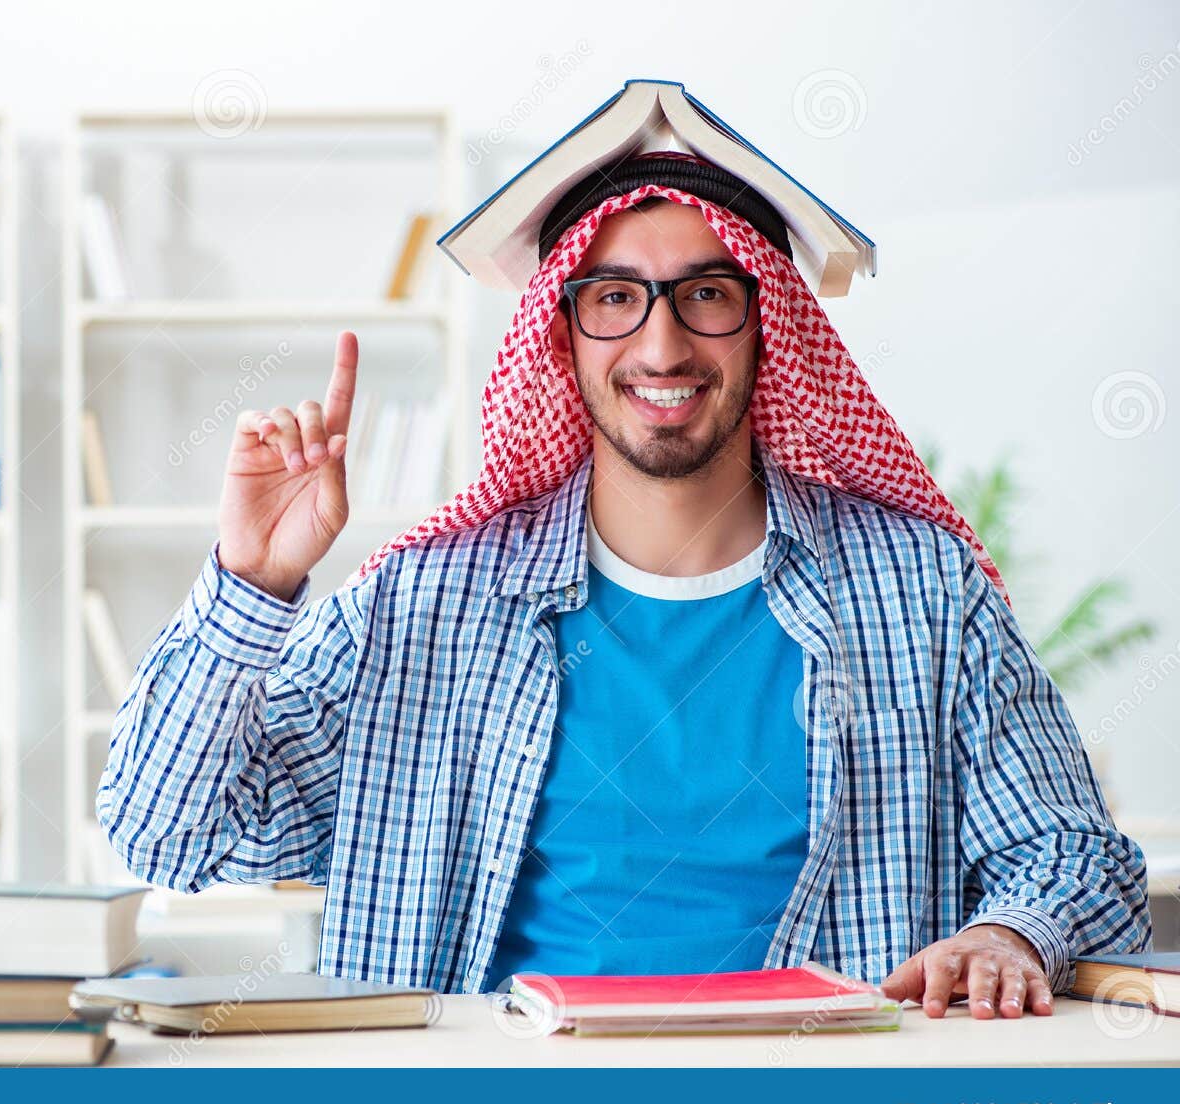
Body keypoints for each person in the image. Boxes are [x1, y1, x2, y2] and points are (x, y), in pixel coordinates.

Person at [97, 149, 1151, 1016]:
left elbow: (1076, 858)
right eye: (614, 298)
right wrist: (252, 584)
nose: (660, 342)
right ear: (562, 333)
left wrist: (1012, 931)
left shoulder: (920, 593)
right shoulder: (423, 603)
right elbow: (170, 837)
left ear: (767, 324)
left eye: (704, 294)